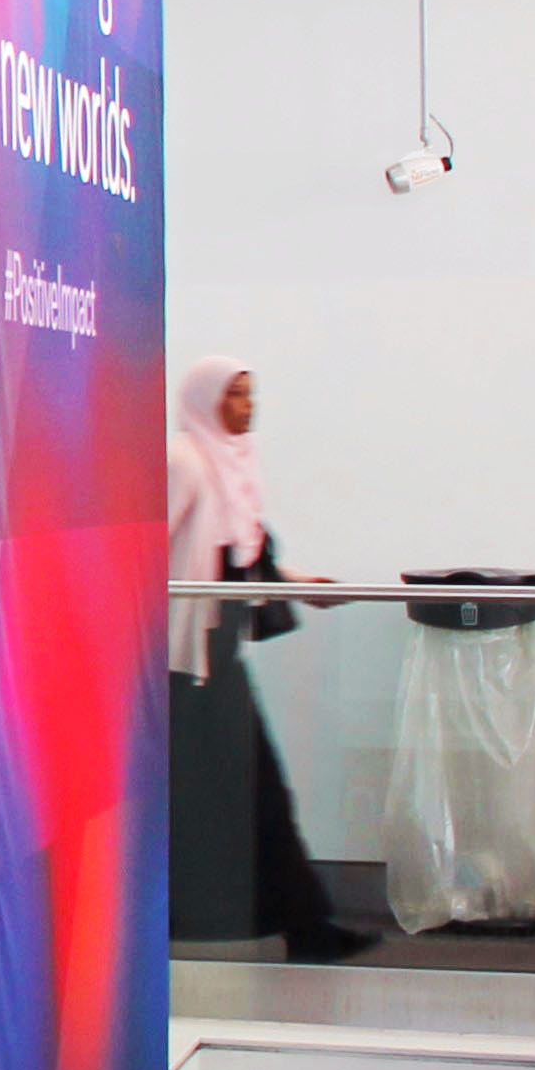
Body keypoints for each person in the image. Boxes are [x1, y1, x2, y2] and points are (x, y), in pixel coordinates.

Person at [168, 356, 357, 962]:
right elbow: (141, 552)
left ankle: (307, 926)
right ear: (206, 401)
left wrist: (301, 585)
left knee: (255, 789)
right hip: (179, 666)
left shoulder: (233, 466)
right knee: (231, 790)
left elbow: (239, 563)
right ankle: (304, 927)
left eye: (250, 395)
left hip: (215, 658)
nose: (248, 408)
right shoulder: (184, 462)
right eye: (235, 395)